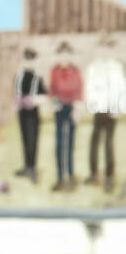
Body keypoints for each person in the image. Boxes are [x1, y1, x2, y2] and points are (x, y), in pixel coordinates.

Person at [85, 33, 125, 195]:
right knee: (94, 142)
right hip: (98, 110)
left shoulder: (117, 67)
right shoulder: (94, 67)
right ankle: (94, 174)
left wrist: (119, 108)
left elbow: (122, 89)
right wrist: (92, 106)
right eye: (103, 49)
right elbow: (90, 88)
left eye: (109, 49)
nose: (106, 53)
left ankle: (109, 177)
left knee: (108, 143)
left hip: (111, 110)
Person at [49, 40, 83, 191]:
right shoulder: (55, 71)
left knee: (69, 143)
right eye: (61, 55)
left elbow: (79, 91)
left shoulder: (75, 71)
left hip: (71, 108)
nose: (64, 59)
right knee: (59, 143)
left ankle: (70, 175)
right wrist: (54, 102)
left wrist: (77, 109)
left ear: (70, 56)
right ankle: (60, 177)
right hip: (60, 108)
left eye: (67, 55)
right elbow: (52, 89)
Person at [13, 47, 46, 182]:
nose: (28, 63)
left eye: (31, 60)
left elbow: (44, 96)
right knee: (25, 138)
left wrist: (33, 100)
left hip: (33, 113)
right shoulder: (18, 77)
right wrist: (18, 100)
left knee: (33, 140)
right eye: (26, 60)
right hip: (22, 113)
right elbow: (15, 94)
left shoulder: (37, 78)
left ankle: (33, 168)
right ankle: (26, 166)